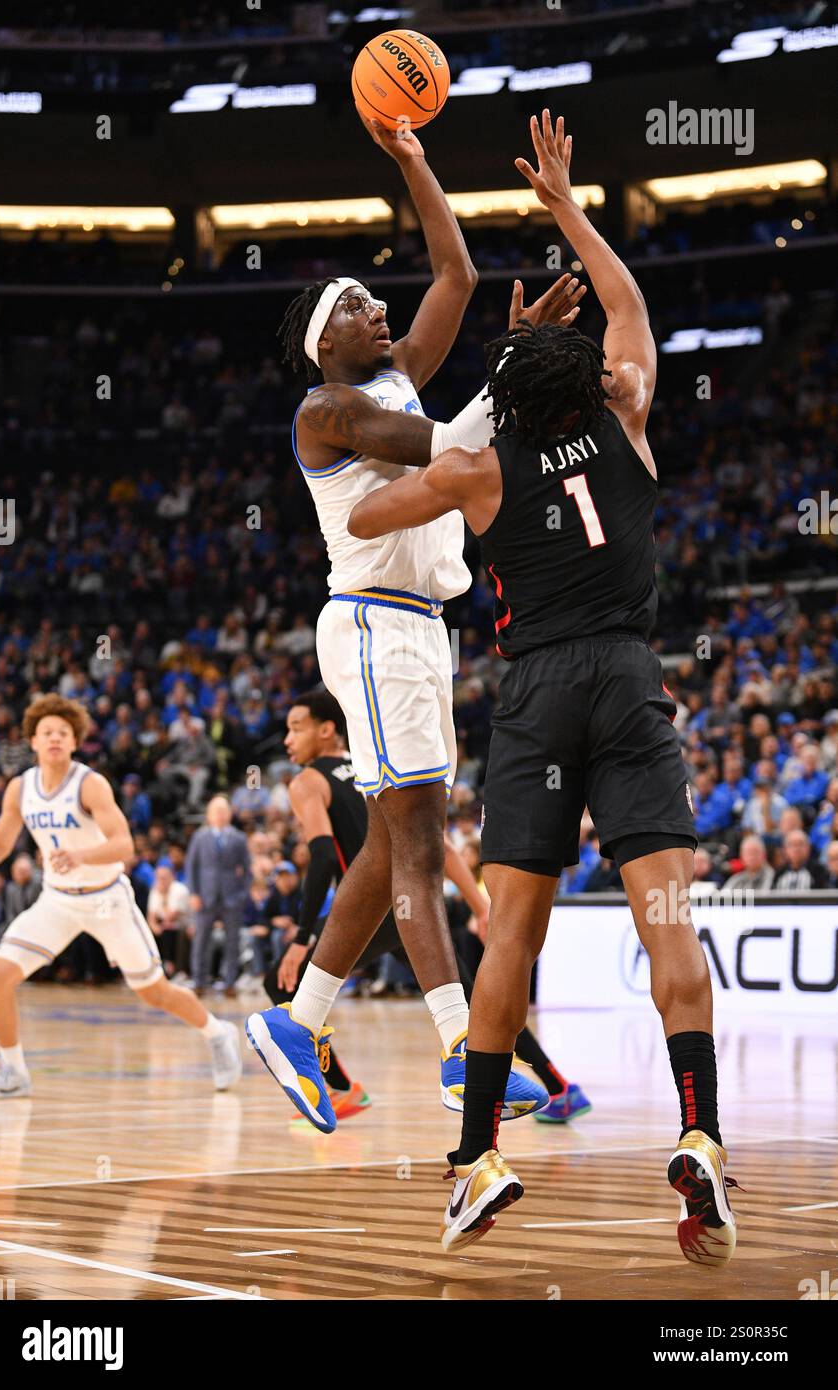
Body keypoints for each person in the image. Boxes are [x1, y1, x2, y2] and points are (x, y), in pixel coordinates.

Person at [348, 111, 737, 1266]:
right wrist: (566, 206)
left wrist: (453, 436)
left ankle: (476, 1159)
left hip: (537, 693)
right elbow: (627, 311)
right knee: (667, 918)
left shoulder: (478, 463)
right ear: (590, 380)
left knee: (510, 933)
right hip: (629, 680)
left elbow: (366, 512)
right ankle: (701, 1132)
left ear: (510, 393)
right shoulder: (624, 409)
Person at [246, 109, 584, 1132]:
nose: (375, 308)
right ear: (323, 344)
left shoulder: (383, 372)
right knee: (419, 838)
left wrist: (415, 160)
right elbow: (443, 443)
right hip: (371, 625)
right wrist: (521, 361)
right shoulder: (325, 411)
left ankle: (298, 1024)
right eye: (353, 305)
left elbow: (456, 279)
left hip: (415, 629)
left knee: (392, 842)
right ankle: (452, 1045)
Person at [254, 692, 586, 1127]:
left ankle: (342, 1088)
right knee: (470, 1001)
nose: (287, 740)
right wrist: (480, 905)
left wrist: (302, 939)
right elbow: (439, 846)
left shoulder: (307, 783)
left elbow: (320, 859)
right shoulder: (375, 770)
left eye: (295, 727)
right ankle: (559, 1086)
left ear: (327, 729)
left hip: (367, 910)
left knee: (282, 979)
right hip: (415, 906)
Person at [0, 694, 242, 1099]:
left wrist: (79, 854)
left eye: (63, 732)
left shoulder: (89, 784)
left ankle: (218, 1032)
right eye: (47, 733)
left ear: (75, 741)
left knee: (155, 993)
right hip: (57, 901)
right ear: (33, 741)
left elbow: (124, 845)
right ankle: (13, 1072)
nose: (55, 739)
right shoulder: (20, 789)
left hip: (107, 900)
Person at [184, 795, 251, 996]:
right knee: (201, 940)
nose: (220, 815)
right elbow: (191, 867)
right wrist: (194, 893)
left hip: (231, 897)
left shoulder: (239, 838)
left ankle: (230, 981)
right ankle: (199, 980)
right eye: (216, 811)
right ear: (209, 815)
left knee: (233, 941)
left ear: (229, 814)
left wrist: (242, 894)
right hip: (205, 895)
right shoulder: (199, 837)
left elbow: (247, 870)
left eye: (223, 811)